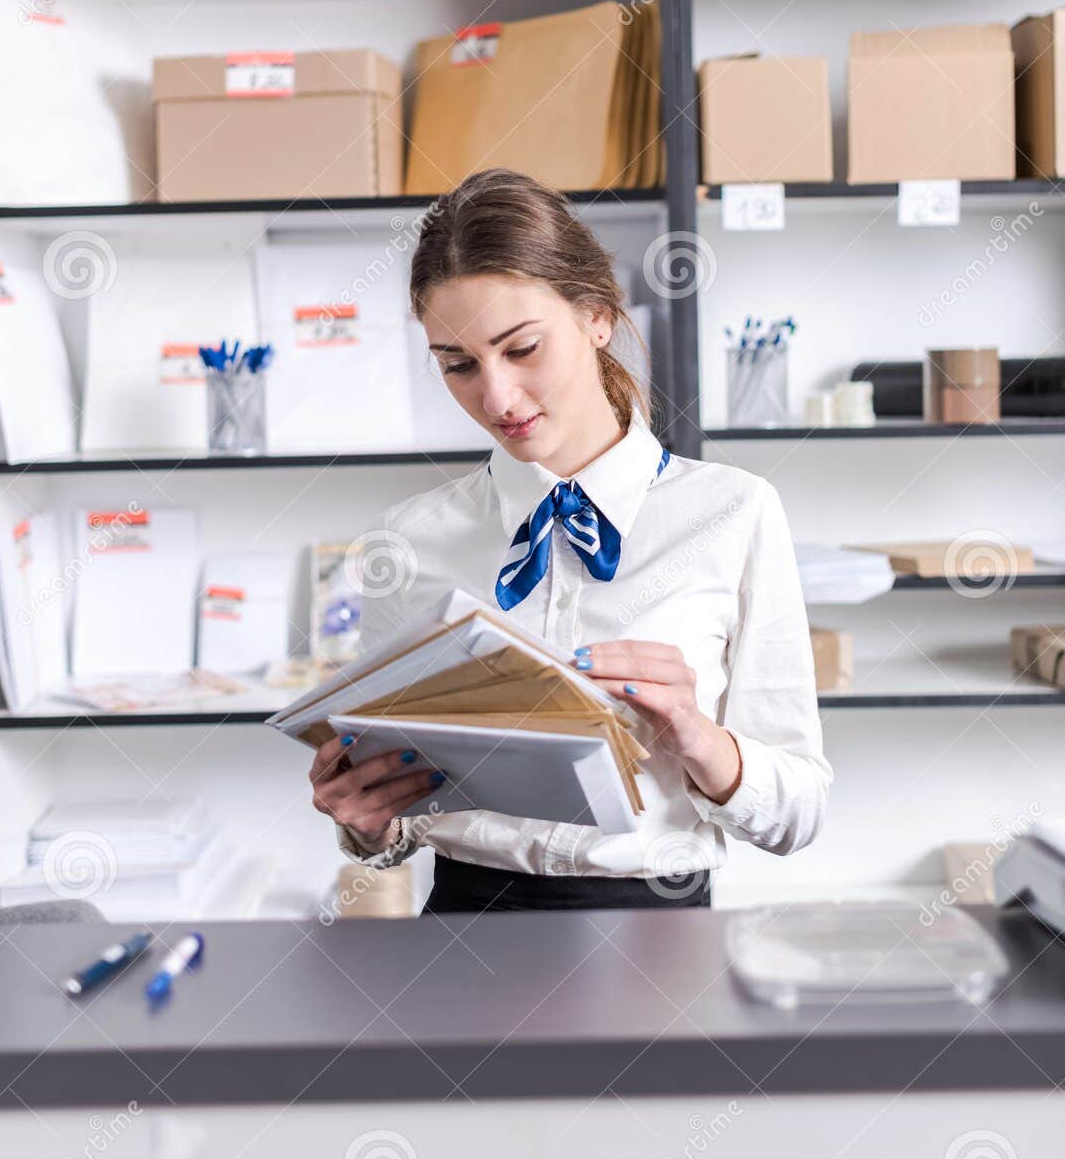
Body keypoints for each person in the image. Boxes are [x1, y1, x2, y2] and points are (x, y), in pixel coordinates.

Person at [309, 168, 831, 915]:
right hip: (464, 928)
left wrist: (697, 738)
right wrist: (365, 824)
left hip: (660, 934)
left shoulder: (734, 513)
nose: (495, 397)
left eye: (521, 348)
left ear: (597, 317)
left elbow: (800, 813)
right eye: (458, 365)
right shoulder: (409, 540)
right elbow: (398, 821)